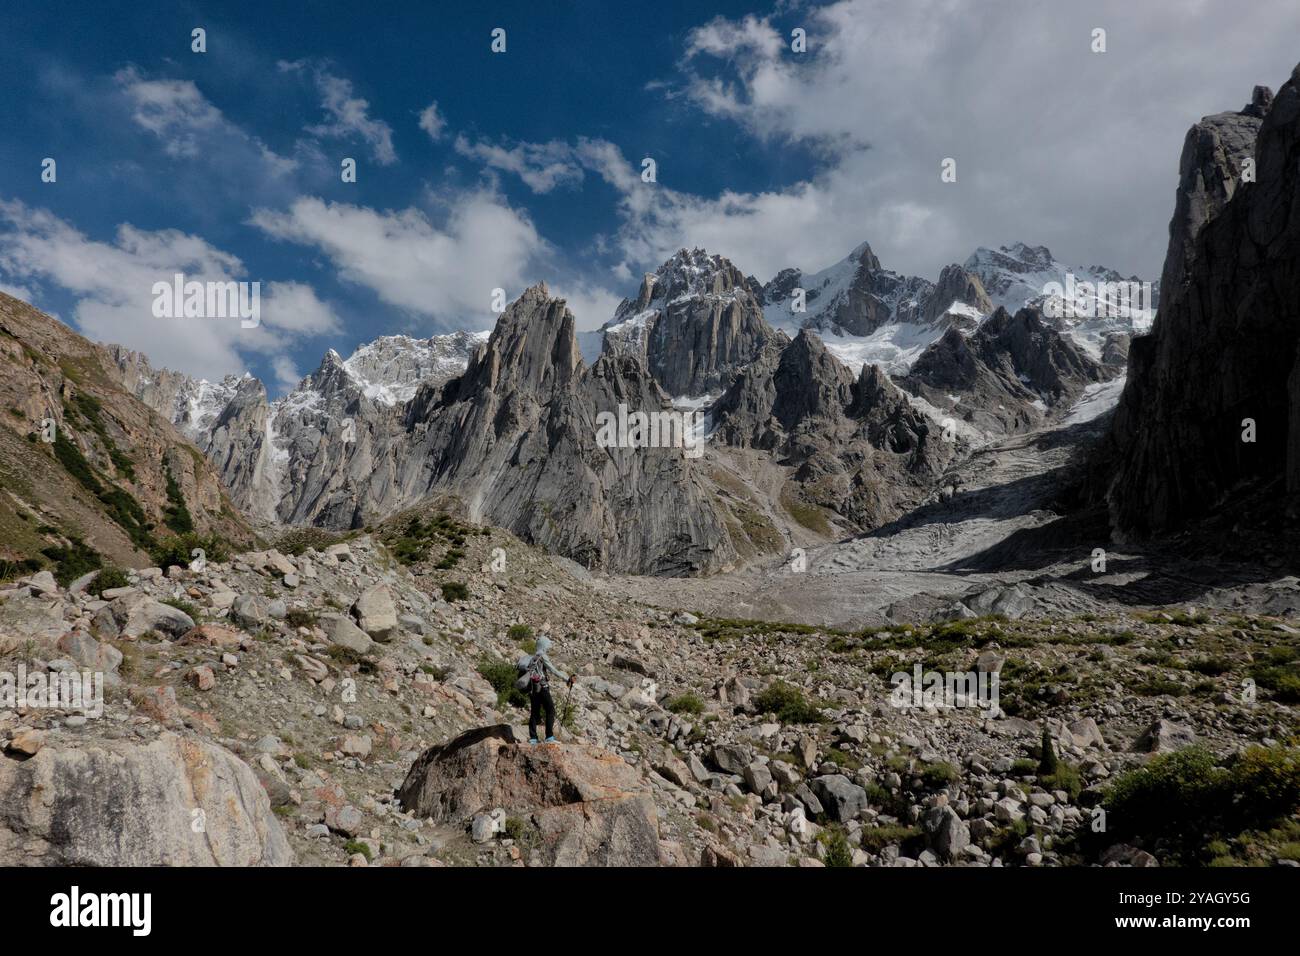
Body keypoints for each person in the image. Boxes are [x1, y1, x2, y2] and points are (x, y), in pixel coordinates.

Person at [523, 636, 573, 744]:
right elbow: (553, 670)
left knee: (534, 712)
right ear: (544, 646)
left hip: (532, 688)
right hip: (542, 687)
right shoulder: (542, 656)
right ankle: (549, 737)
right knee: (551, 710)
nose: (548, 648)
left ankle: (533, 738)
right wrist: (566, 678)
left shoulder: (533, 657)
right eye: (547, 645)